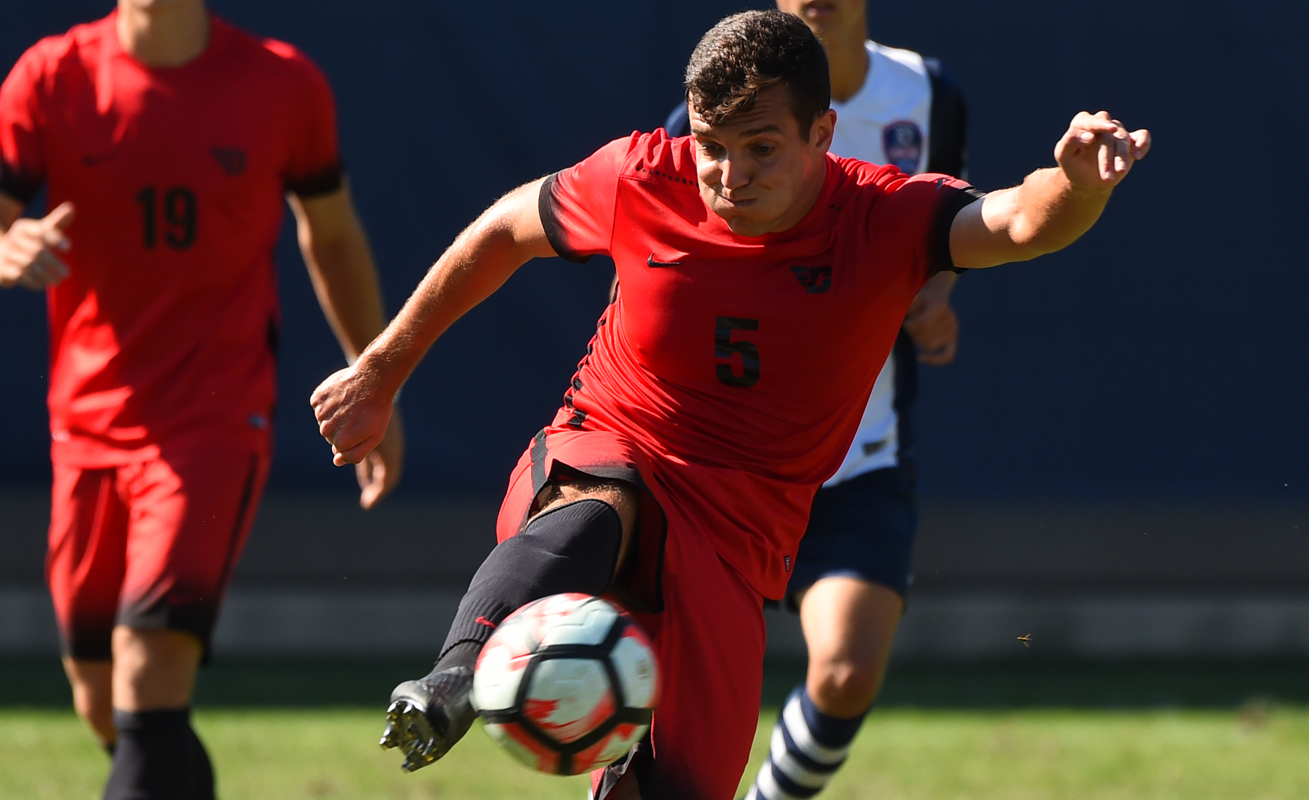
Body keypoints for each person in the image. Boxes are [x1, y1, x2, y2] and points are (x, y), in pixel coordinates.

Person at [311, 9, 1148, 799]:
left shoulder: (882, 216)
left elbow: (1015, 225)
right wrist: (383, 367)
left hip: (738, 540)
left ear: (821, 133)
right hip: (614, 443)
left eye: (760, 148)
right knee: (602, 499)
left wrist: (1078, 186)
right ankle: (459, 674)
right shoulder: (646, 175)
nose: (729, 175)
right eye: (714, 145)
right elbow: (504, 229)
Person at [0, 1, 403, 797]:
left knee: (148, 675)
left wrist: (378, 375)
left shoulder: (282, 85)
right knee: (104, 704)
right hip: (85, 426)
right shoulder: (52, 76)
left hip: (213, 423)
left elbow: (329, 234)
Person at [667, 1, 967, 795]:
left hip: (856, 456)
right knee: (661, 695)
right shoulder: (710, 115)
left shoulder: (927, 95)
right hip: (726, 468)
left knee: (845, 671)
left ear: (823, 133)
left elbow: (947, 228)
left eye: (764, 146)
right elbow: (666, 256)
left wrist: (934, 298)